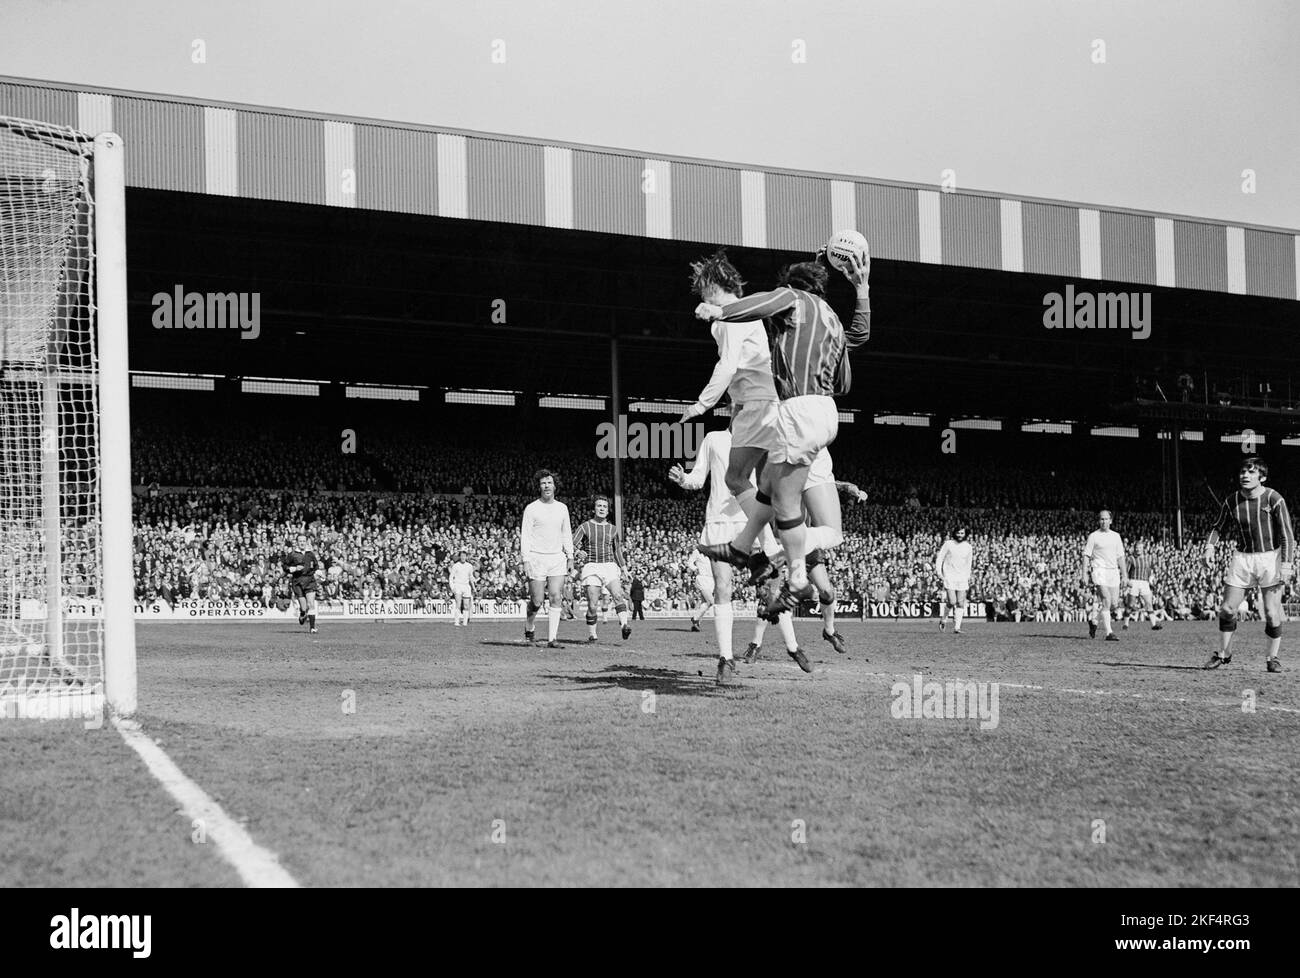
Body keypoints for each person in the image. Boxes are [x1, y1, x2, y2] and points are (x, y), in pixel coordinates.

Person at [695, 246, 872, 621]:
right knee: (770, 484)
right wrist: (862, 290)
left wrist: (720, 310)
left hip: (798, 410)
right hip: (826, 412)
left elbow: (759, 303)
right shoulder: (834, 321)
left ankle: (794, 578)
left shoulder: (792, 297)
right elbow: (859, 339)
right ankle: (743, 548)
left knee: (785, 503)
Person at [1202, 457, 1295, 672]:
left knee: (1272, 612)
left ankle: (1272, 658)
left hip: (1270, 558)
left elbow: (1287, 535)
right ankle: (1224, 654)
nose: (1245, 475)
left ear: (1262, 477)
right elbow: (1218, 527)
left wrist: (1287, 565)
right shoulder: (1231, 500)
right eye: (1243, 471)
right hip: (1242, 558)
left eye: (1251, 472)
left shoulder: (1274, 498)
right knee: (1226, 609)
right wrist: (1209, 547)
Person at [520, 470, 574, 648]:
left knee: (556, 597)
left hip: (557, 558)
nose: (546, 486)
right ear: (539, 486)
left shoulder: (562, 508)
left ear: (554, 485)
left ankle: (552, 639)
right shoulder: (532, 508)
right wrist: (526, 559)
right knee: (536, 601)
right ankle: (529, 627)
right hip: (536, 558)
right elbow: (526, 536)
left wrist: (570, 556)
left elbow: (566, 534)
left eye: (549, 482)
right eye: (543, 483)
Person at [572, 495, 633, 643]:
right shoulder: (585, 526)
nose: (601, 509)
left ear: (608, 510)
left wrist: (624, 569)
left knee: (618, 595)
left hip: (609, 566)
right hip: (591, 566)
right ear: (594, 508)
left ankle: (624, 625)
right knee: (593, 604)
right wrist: (577, 552)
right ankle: (592, 634)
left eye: (604, 507)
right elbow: (571, 544)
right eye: (599, 506)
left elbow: (617, 550)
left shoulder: (613, 529)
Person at [1082, 510, 1126, 641]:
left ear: (1111, 521)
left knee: (1113, 604)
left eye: (1106, 519)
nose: (1104, 521)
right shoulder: (1093, 536)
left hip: (1113, 571)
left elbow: (1121, 556)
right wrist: (1084, 574)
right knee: (1106, 598)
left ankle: (1093, 619)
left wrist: (1125, 575)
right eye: (1101, 519)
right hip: (1099, 570)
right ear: (1098, 521)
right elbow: (1086, 556)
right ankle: (1109, 633)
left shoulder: (1116, 536)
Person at [934, 526, 973, 634]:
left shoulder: (968, 547)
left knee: (960, 603)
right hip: (950, 576)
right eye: (958, 533)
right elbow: (940, 558)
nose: (960, 535)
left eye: (962, 533)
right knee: (952, 601)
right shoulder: (949, 544)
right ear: (955, 533)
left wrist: (968, 576)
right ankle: (944, 619)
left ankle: (957, 627)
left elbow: (969, 563)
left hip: (962, 577)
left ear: (965, 534)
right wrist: (939, 573)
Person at [283, 533, 320, 633]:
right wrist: (294, 568)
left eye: (304, 541)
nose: (302, 543)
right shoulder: (292, 554)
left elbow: (316, 566)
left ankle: (312, 627)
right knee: (304, 607)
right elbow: (285, 567)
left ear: (306, 542)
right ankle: (303, 612)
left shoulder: (310, 554)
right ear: (297, 542)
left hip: (310, 581)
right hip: (297, 582)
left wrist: (318, 573)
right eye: (300, 541)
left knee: (311, 604)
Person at [1125, 540, 1162, 631]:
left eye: (1140, 548)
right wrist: (1126, 580)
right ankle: (1126, 623)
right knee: (1130, 605)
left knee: (1149, 604)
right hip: (1134, 581)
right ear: (1134, 549)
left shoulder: (1148, 558)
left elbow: (1153, 568)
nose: (1138, 550)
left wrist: (1152, 577)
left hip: (1144, 582)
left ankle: (1153, 625)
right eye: (1136, 548)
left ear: (1143, 549)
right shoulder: (1130, 558)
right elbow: (1125, 571)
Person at [448, 549, 476, 626]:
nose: (463, 557)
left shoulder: (469, 566)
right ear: (460, 557)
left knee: (466, 605)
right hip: (458, 585)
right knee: (458, 604)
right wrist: (452, 587)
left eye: (464, 556)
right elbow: (451, 577)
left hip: (466, 586)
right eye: (462, 556)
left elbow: (471, 577)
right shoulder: (456, 565)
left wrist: (473, 587)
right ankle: (456, 622)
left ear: (466, 557)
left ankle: (465, 622)